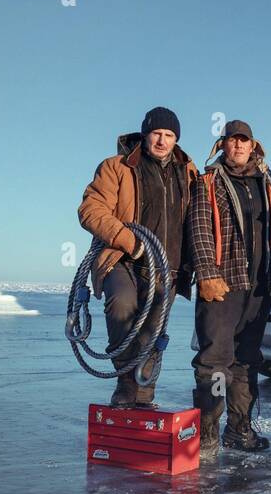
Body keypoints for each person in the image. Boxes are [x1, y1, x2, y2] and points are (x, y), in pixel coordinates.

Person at [77, 106, 197, 406]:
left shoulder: (190, 173)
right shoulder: (116, 167)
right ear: (145, 134)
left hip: (166, 267)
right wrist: (129, 241)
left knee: (153, 328)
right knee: (122, 306)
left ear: (176, 139)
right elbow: (91, 210)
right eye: (157, 133)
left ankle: (143, 393)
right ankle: (126, 383)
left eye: (169, 135)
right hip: (123, 258)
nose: (162, 141)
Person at [188, 119, 271, 460]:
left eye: (245, 141)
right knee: (215, 361)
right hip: (221, 285)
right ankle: (207, 433)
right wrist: (206, 274)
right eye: (232, 141)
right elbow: (198, 229)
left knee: (246, 360)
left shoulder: (266, 183)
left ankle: (239, 429)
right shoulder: (209, 182)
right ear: (223, 145)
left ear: (254, 146)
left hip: (257, 287)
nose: (239, 146)